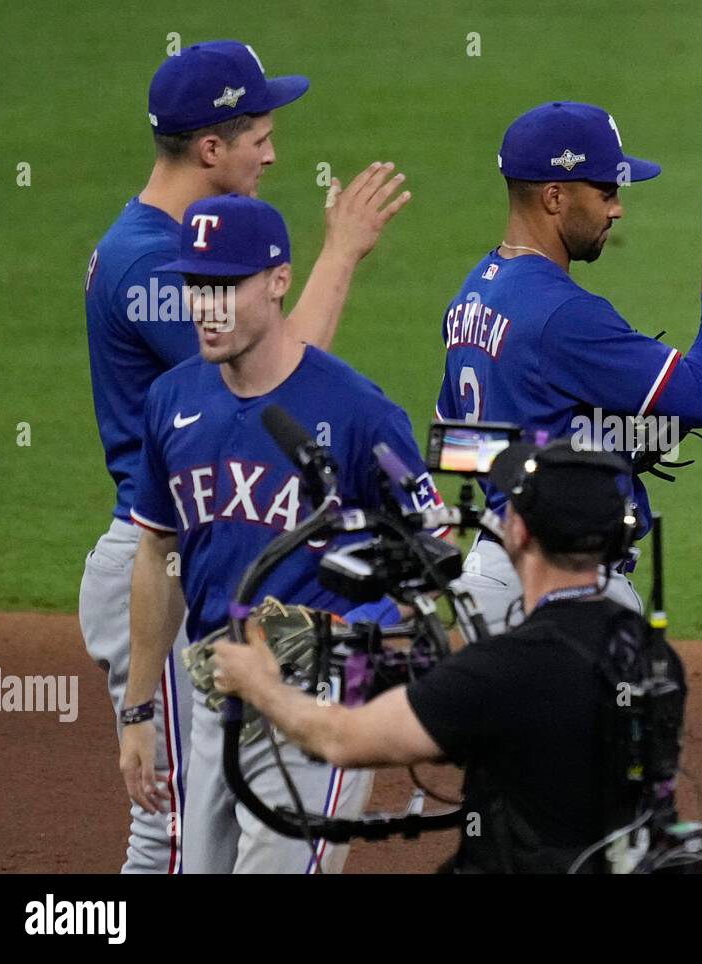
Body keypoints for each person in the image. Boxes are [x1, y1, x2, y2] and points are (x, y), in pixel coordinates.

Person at [81, 38, 411, 873]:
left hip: (196, 544)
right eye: (259, 132)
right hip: (163, 557)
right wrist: (339, 253)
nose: (273, 151)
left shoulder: (156, 241)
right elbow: (278, 380)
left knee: (188, 827)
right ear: (210, 147)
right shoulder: (158, 264)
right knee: (171, 830)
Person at [119, 194, 440, 873]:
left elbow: (436, 562)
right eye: (196, 288)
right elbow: (156, 550)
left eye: (225, 288)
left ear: (278, 281)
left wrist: (356, 638)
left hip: (317, 700)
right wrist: (139, 707)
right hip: (218, 697)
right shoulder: (173, 400)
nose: (206, 308)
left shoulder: (359, 413)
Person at [213, 440, 681, 873]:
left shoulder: (502, 668)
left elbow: (341, 741)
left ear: (517, 532)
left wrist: (260, 685)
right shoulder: (652, 654)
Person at [433, 100, 702, 633]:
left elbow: (458, 444)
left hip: (489, 576)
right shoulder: (566, 313)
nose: (617, 208)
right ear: (555, 196)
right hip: (564, 585)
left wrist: (596, 445)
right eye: (606, 192)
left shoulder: (473, 292)